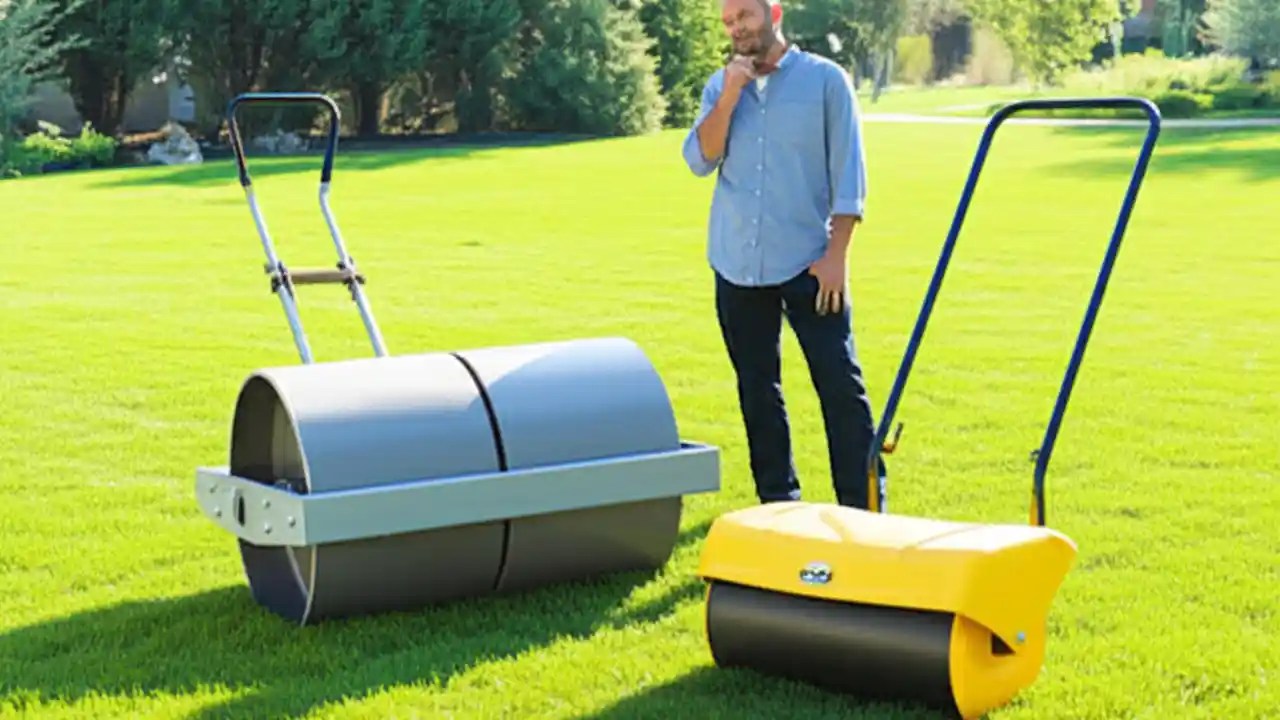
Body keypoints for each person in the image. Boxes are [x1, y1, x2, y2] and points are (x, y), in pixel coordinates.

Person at [681, 0, 886, 510]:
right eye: (728, 22)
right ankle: (778, 504)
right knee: (757, 390)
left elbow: (849, 176)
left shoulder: (825, 81)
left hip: (811, 265)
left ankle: (864, 509)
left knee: (841, 388)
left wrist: (837, 257)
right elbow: (700, 159)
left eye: (744, 16)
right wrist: (730, 95)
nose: (736, 29)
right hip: (735, 265)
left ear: (773, 12)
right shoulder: (720, 86)